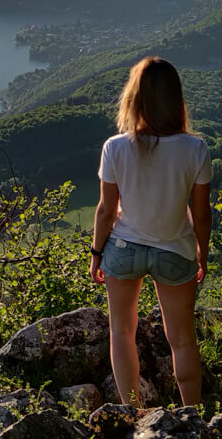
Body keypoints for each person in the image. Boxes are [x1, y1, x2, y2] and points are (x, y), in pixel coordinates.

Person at [90, 56, 212, 407]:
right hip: (175, 252)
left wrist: (97, 254)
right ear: (176, 98)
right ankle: (193, 416)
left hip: (124, 249)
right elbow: (201, 214)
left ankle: (131, 414)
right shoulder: (195, 149)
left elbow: (105, 211)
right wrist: (202, 252)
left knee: (122, 332)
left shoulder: (115, 147)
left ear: (135, 98)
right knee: (183, 340)